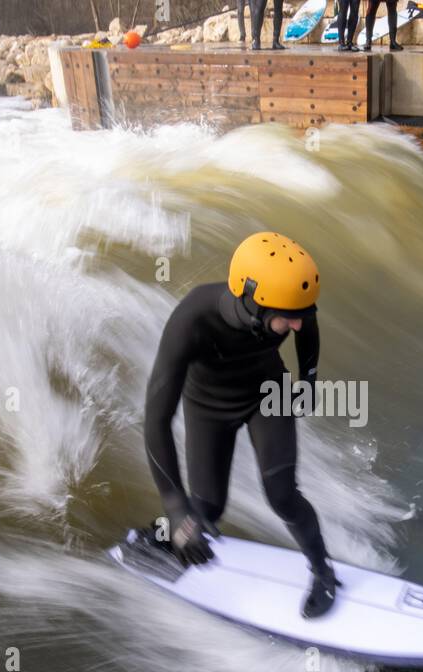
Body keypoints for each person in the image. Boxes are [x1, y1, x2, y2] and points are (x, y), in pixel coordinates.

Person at [141, 232, 341, 619]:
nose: (297, 326)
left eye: (302, 313)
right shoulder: (192, 320)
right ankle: (165, 533)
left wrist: (308, 381)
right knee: (206, 510)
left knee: (282, 493)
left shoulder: (289, 307)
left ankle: (323, 571)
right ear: (252, 302)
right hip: (208, 408)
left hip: (269, 394)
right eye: (287, 317)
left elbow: (306, 326)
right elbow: (156, 419)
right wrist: (175, 507)